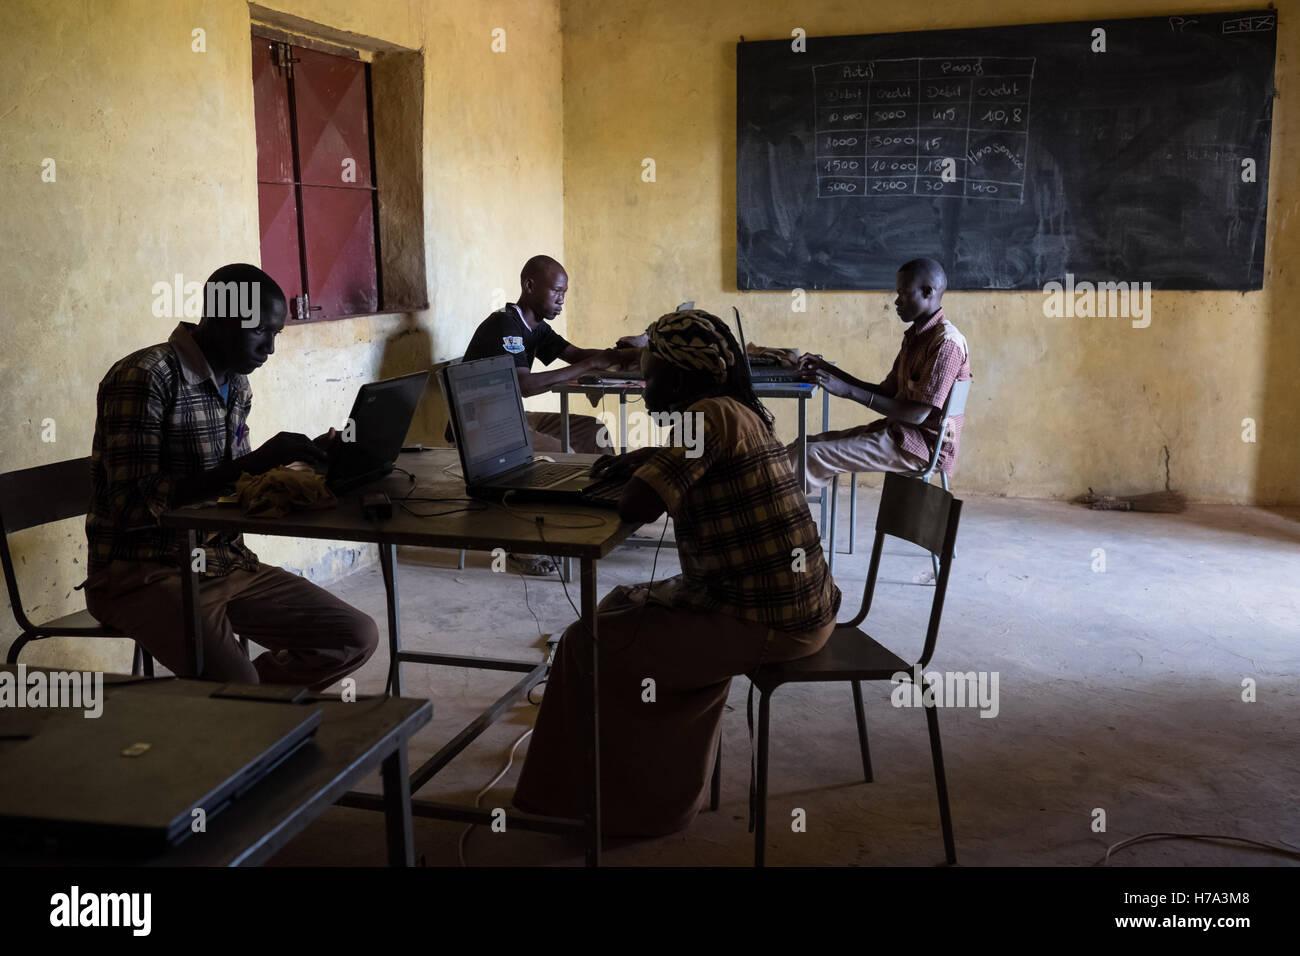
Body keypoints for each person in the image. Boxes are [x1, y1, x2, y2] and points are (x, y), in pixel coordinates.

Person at [513, 309, 841, 836]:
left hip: (768, 621)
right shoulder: (732, 410)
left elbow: (638, 506)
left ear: (681, 374)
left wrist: (643, 469)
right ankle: (642, 787)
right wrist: (649, 454)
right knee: (621, 603)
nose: (644, 378)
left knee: (584, 643)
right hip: (795, 604)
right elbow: (686, 465)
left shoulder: (706, 417)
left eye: (651, 366)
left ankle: (583, 805)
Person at [84, 263, 378, 688]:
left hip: (226, 563)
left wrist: (307, 462)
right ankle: (244, 706)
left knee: (355, 636)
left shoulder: (236, 381)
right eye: (260, 331)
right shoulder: (145, 377)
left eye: (276, 334)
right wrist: (253, 463)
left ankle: (250, 709)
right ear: (219, 319)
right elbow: (134, 505)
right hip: (143, 572)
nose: (270, 348)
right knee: (237, 684)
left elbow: (232, 486)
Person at [457, 254, 639, 574]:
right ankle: (526, 545)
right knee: (560, 454)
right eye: (556, 291)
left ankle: (605, 515)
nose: (561, 300)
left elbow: (576, 355)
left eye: (565, 294)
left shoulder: (537, 327)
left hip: (512, 417)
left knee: (592, 431)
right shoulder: (505, 324)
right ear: (529, 286)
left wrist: (625, 356)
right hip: (481, 427)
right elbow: (525, 384)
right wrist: (589, 365)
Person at [793, 258, 971, 488]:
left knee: (807, 455)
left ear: (928, 292)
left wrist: (847, 391)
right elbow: (885, 391)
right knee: (803, 445)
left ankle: (780, 518)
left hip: (921, 447)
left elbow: (917, 415)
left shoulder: (946, 343)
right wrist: (828, 369)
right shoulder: (916, 337)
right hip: (901, 433)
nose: (897, 301)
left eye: (904, 294)